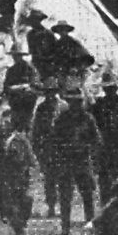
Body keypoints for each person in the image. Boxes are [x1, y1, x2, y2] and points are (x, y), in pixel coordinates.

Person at [49, 87, 103, 235]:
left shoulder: (87, 119)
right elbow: (53, 142)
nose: (76, 104)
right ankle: (65, 229)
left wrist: (92, 157)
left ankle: (90, 227)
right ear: (69, 102)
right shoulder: (61, 119)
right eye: (73, 102)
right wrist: (58, 159)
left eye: (78, 101)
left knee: (87, 195)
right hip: (66, 162)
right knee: (65, 196)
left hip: (82, 161)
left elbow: (97, 140)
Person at [0, 110, 42, 235]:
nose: (5, 125)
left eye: (8, 122)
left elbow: (33, 163)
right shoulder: (0, 140)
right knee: (14, 218)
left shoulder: (21, 141)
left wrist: (31, 185)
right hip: (7, 184)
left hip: (22, 183)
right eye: (3, 122)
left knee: (21, 219)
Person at [30, 79, 68, 220]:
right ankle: (51, 206)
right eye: (48, 92)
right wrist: (37, 148)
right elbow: (36, 130)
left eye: (53, 92)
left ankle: (64, 207)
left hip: (62, 147)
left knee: (64, 178)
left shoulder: (64, 107)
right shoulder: (41, 108)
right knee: (49, 179)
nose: (50, 95)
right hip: (47, 147)